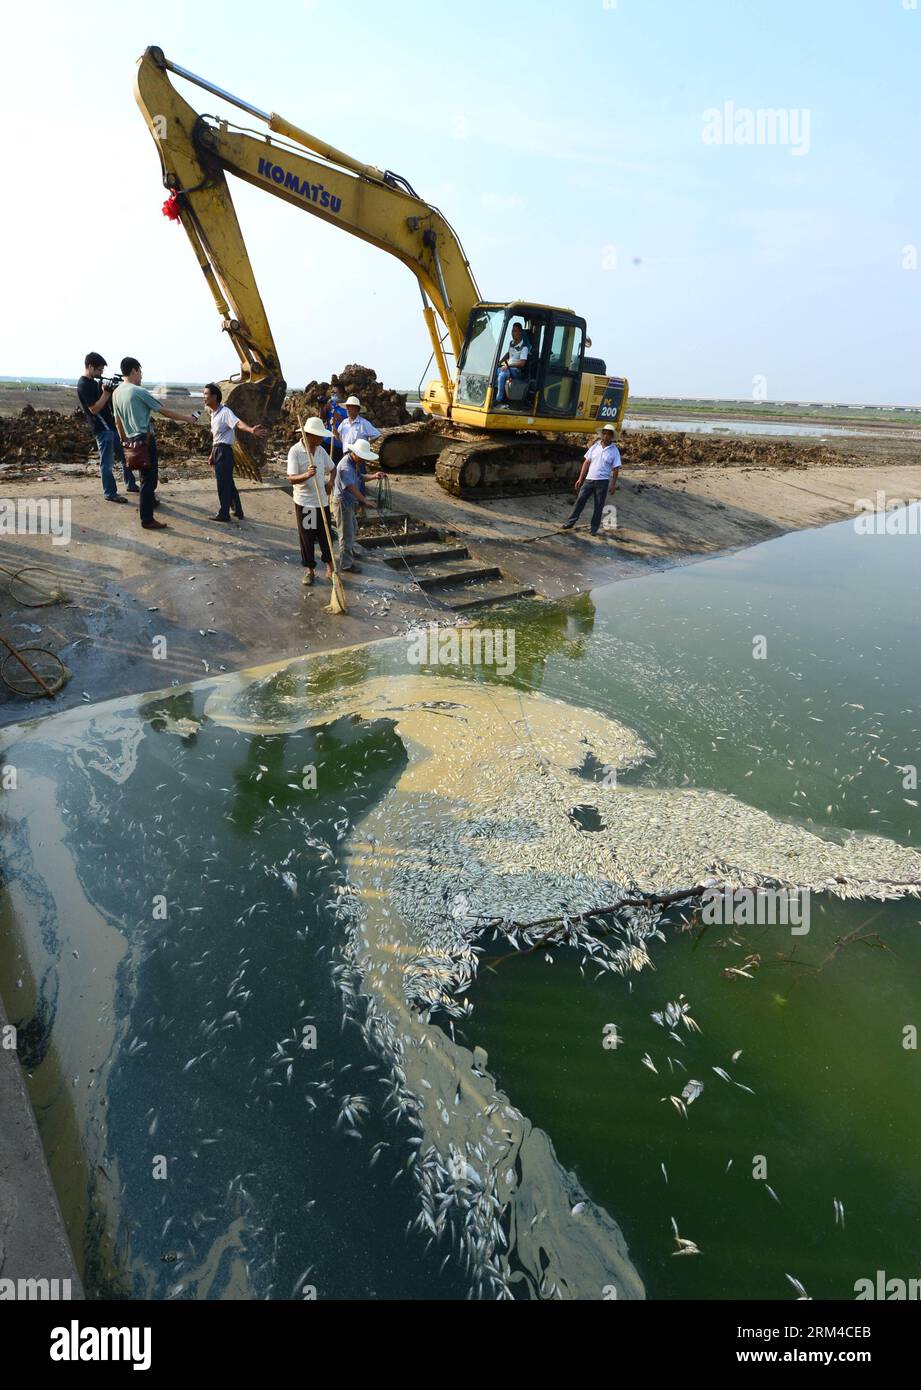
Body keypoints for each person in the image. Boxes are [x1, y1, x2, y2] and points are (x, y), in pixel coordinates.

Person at [112, 357, 199, 530]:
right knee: (149, 480)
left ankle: (150, 501)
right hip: (145, 440)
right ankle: (147, 519)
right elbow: (165, 411)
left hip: (131, 440)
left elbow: (117, 421)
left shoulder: (116, 393)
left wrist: (124, 441)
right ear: (134, 370)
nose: (141, 376)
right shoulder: (138, 391)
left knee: (145, 477)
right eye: (140, 372)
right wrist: (188, 419)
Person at [76, 352, 139, 503]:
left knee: (125, 457)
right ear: (90, 366)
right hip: (101, 428)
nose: (101, 373)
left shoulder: (94, 382)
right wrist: (106, 393)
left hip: (110, 426)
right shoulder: (83, 384)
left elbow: (106, 402)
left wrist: (109, 391)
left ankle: (130, 484)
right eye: (99, 370)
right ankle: (110, 493)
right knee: (107, 463)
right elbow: (94, 409)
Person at [202, 383, 266, 522]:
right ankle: (238, 510)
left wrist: (251, 430)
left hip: (224, 451)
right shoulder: (214, 414)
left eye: (206, 394)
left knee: (223, 484)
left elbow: (238, 423)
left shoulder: (225, 412)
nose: (204, 397)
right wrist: (212, 454)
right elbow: (216, 437)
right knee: (228, 482)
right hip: (218, 450)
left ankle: (223, 513)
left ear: (214, 397)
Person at [287, 416, 335, 586]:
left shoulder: (321, 450)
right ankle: (310, 570)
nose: (322, 439)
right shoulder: (295, 451)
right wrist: (306, 475)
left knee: (325, 536)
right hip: (306, 503)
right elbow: (291, 478)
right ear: (309, 435)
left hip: (322, 502)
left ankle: (330, 568)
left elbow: (333, 468)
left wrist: (330, 483)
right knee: (307, 538)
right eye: (319, 436)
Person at [562, 425, 621, 536]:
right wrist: (580, 478)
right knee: (580, 501)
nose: (605, 435)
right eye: (604, 433)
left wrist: (613, 485)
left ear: (612, 436)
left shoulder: (614, 451)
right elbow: (587, 462)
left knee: (598, 505)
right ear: (601, 434)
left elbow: (616, 468)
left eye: (608, 433)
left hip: (602, 482)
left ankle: (594, 528)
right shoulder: (595, 446)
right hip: (589, 480)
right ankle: (570, 522)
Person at [333, 438, 378, 572]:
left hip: (349, 502)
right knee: (346, 534)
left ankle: (350, 550)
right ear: (356, 454)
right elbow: (350, 487)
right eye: (363, 457)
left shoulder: (353, 463)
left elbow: (359, 477)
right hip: (342, 502)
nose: (364, 460)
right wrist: (364, 501)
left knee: (353, 527)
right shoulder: (346, 466)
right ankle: (346, 564)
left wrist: (374, 476)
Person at [494, 322, 530, 407]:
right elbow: (508, 353)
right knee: (494, 371)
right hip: (508, 367)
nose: (513, 333)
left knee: (502, 375)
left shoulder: (524, 347)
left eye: (515, 331)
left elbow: (522, 363)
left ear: (520, 332)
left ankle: (499, 400)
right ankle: (492, 395)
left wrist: (508, 365)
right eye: (512, 331)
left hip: (517, 370)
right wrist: (499, 362)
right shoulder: (511, 343)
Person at [324, 389, 347, 463]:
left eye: (335, 392)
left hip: (338, 443)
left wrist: (332, 410)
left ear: (341, 393)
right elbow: (322, 417)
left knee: (335, 466)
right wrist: (322, 406)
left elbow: (343, 421)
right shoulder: (330, 405)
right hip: (326, 440)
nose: (333, 394)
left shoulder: (346, 407)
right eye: (332, 392)